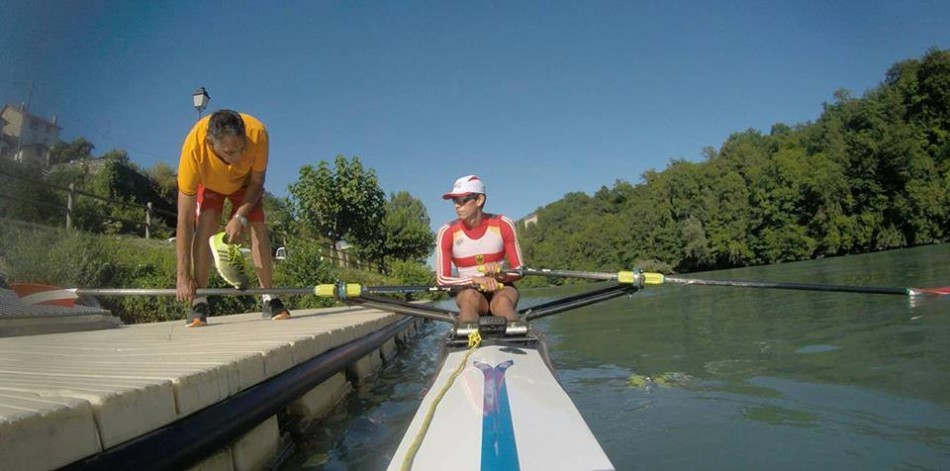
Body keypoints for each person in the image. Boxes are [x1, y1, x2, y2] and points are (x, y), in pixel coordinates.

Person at [175, 109, 290, 327]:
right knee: (207, 221)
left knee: (257, 224)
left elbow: (257, 183)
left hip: (246, 185)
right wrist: (182, 276)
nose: (237, 158)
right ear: (210, 143)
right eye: (229, 152)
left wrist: (240, 217)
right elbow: (184, 220)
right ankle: (200, 301)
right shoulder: (193, 150)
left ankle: (269, 296)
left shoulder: (258, 133)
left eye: (241, 149)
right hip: (209, 182)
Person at [435, 175, 524, 323]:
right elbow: (442, 280)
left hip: (502, 287)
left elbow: (519, 269)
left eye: (462, 200)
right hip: (470, 290)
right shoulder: (447, 232)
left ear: (479, 200)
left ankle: (516, 332)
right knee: (469, 298)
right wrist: (475, 279)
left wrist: (500, 274)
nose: (457, 205)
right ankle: (469, 335)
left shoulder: (503, 224)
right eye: (454, 200)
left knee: (502, 303)